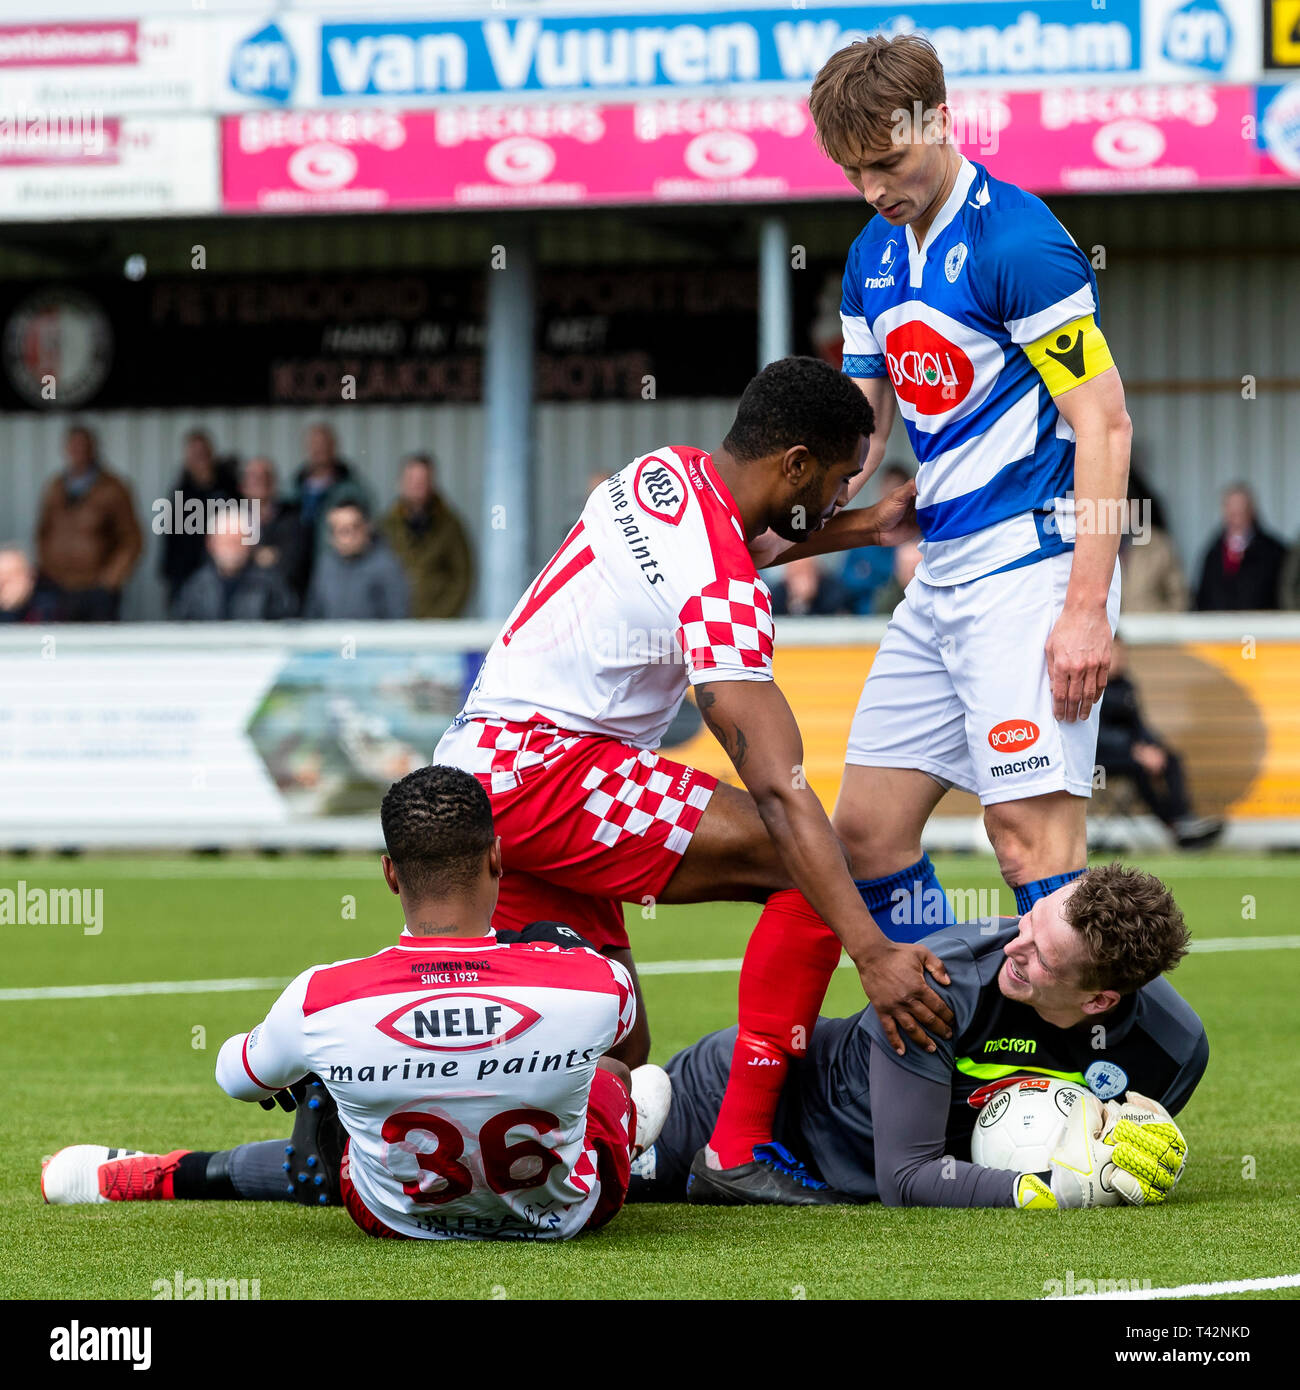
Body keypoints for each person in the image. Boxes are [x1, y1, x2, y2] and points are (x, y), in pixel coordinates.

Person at [696, 34, 1135, 1197]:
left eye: (884, 161)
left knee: (1030, 845)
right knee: (859, 846)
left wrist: (1086, 606)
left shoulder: (1021, 244)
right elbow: (869, 431)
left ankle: (1089, 1095)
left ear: (938, 119)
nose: (873, 187)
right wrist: (809, 520)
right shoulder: (871, 257)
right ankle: (752, 1136)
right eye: (851, 173)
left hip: (1031, 567)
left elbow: (1105, 426)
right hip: (938, 573)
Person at [433, 355, 953, 1208]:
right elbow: (784, 794)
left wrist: (864, 525)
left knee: (616, 1046)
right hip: (549, 774)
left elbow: (747, 540)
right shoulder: (725, 590)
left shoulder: (662, 475)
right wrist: (871, 951)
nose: (833, 498)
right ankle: (740, 1145)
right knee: (820, 859)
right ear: (791, 462)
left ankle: (481, 1167)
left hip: (482, 783)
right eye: (832, 481)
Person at [41, 767, 670, 1242]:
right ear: (497, 859)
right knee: (627, 1075)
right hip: (567, 1218)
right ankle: (631, 1150)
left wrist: (308, 1060)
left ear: (390, 874)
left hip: (394, 1218)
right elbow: (619, 1034)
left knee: (327, 1066)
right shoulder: (592, 983)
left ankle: (140, 1173)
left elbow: (233, 1077)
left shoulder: (323, 996)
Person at [635, 864, 1204, 1209]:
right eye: (1028, 920)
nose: (1012, 946)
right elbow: (907, 1178)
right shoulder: (944, 982)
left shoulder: (1173, 1053)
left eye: (1041, 959)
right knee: (572, 1189)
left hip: (818, 1162)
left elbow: (1105, 1146)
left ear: (1099, 1001)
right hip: (726, 1105)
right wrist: (1049, 1190)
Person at [1096, 636, 1224, 849]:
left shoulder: (1126, 685)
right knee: (1141, 769)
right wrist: (1134, 750)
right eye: (1114, 654)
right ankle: (1175, 826)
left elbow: (1139, 726)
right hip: (1100, 760)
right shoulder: (1093, 688)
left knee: (1170, 758)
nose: (1120, 659)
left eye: (1122, 653)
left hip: (1130, 754)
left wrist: (1153, 748)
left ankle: (1184, 820)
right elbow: (1096, 733)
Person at [34, 423, 142, 621]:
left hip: (97, 589)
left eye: (83, 446)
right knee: (62, 647)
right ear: (66, 449)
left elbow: (131, 538)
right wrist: (48, 569)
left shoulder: (113, 488)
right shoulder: (55, 487)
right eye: (73, 446)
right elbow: (43, 532)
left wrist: (112, 577)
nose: (78, 451)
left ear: (93, 448)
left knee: (99, 648)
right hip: (60, 588)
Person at [379, 453, 473, 618]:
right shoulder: (386, 525)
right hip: (393, 622)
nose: (417, 485)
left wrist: (441, 616)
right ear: (401, 482)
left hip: (437, 625)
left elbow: (462, 576)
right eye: (412, 480)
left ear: (432, 483)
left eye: (422, 480)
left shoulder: (449, 525)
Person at [158, 429, 238, 605]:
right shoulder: (180, 492)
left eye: (203, 453)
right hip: (186, 575)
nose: (199, 458)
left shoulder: (229, 488)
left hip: (223, 575)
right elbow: (171, 539)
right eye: (194, 454)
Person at [171, 514, 297, 622]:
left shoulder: (271, 585)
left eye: (237, 541)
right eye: (225, 541)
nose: (232, 548)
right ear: (211, 544)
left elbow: (287, 627)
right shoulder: (196, 586)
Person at [303, 498, 410, 620]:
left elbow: (397, 617)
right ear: (330, 536)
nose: (348, 537)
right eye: (340, 530)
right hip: (332, 638)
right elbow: (313, 612)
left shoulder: (387, 566)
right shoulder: (325, 565)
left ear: (368, 527)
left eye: (354, 527)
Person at [1195, 483, 1285, 611]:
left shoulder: (1273, 552)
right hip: (1220, 627)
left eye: (1240, 513)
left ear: (1251, 512)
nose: (1236, 520)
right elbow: (1203, 597)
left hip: (1262, 626)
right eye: (1232, 513)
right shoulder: (1213, 553)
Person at [839, 462, 913, 614]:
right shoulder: (861, 539)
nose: (889, 498)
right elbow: (845, 589)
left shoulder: (918, 542)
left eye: (895, 490)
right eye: (886, 489)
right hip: (862, 625)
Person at [1118, 462, 1188, 613]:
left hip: (1153, 633)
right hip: (1114, 634)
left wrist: (1164, 628)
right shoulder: (1100, 547)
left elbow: (1179, 596)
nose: (1122, 513)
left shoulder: (1158, 545)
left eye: (1127, 506)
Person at [238, 456, 309, 602]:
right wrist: (255, 555)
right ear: (242, 486)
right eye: (254, 477)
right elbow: (223, 565)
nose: (260, 482)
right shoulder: (231, 521)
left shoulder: (293, 519)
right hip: (241, 603)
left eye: (265, 477)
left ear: (274, 482)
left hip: (282, 603)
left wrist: (245, 555)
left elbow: (292, 566)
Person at [0, 545, 61, 623]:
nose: (4, 582)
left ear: (30, 577)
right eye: (1, 575)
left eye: (11, 575)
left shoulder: (50, 606)